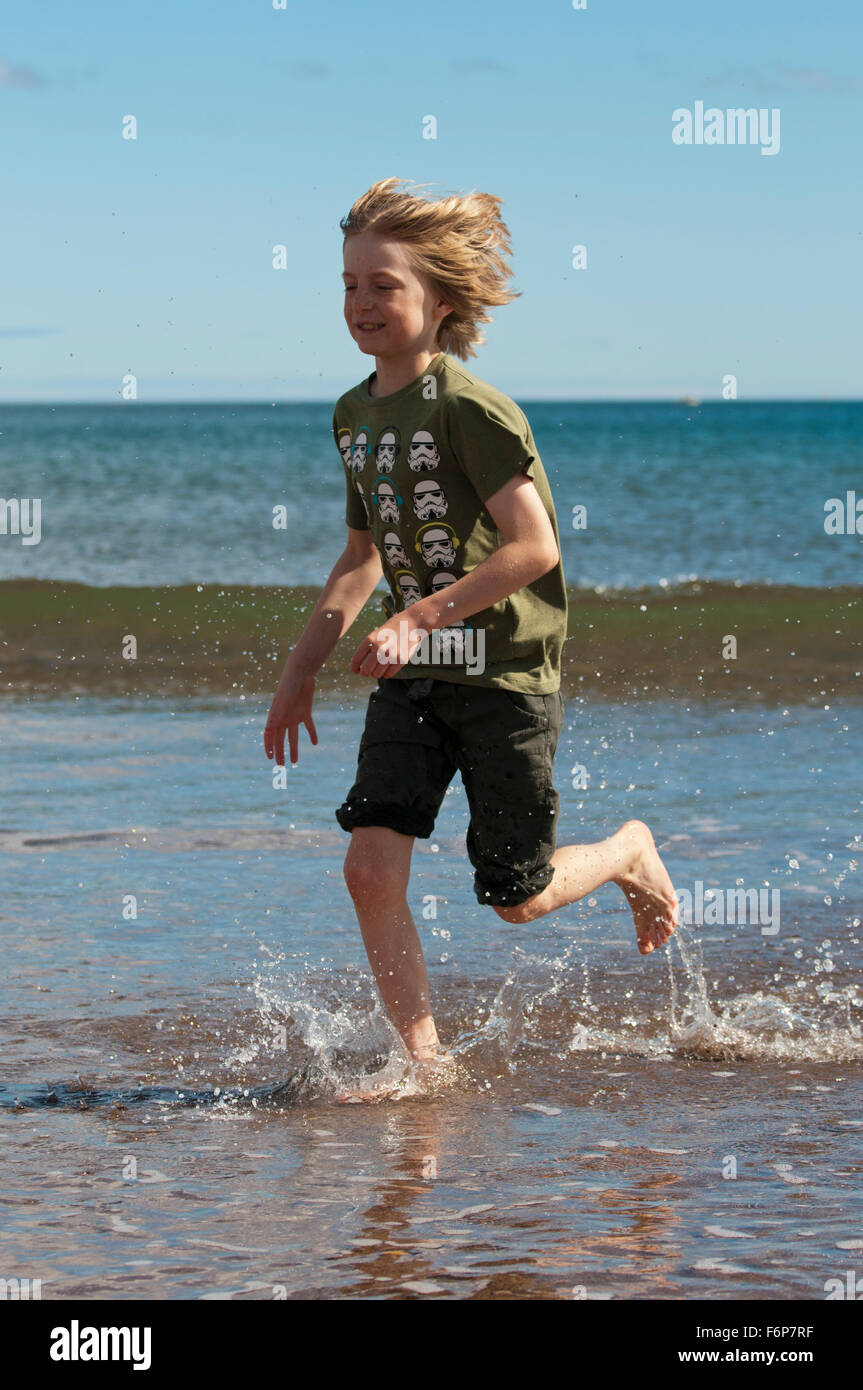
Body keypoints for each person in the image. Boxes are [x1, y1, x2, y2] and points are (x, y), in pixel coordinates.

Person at [264, 178, 677, 1089]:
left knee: (517, 896)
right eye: (348, 285)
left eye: (384, 286)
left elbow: (534, 546)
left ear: (439, 301)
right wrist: (299, 672)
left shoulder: (472, 409)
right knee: (369, 870)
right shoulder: (354, 415)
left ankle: (626, 851)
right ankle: (425, 1066)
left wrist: (421, 615)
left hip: (503, 675)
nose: (361, 304)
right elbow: (359, 555)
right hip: (413, 677)